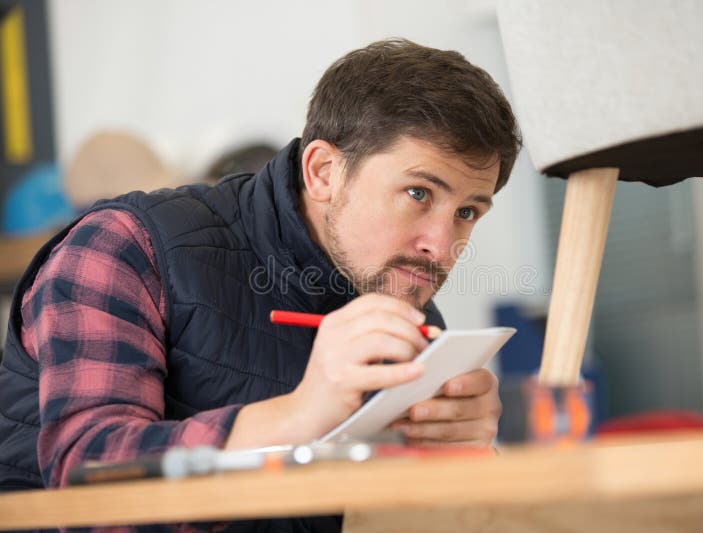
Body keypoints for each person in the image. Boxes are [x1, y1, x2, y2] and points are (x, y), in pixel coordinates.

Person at [0, 38, 521, 532]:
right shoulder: (124, 246)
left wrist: (462, 458)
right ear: (323, 172)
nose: (442, 246)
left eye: (467, 212)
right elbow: (91, 491)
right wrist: (301, 414)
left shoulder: (398, 296)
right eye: (418, 193)